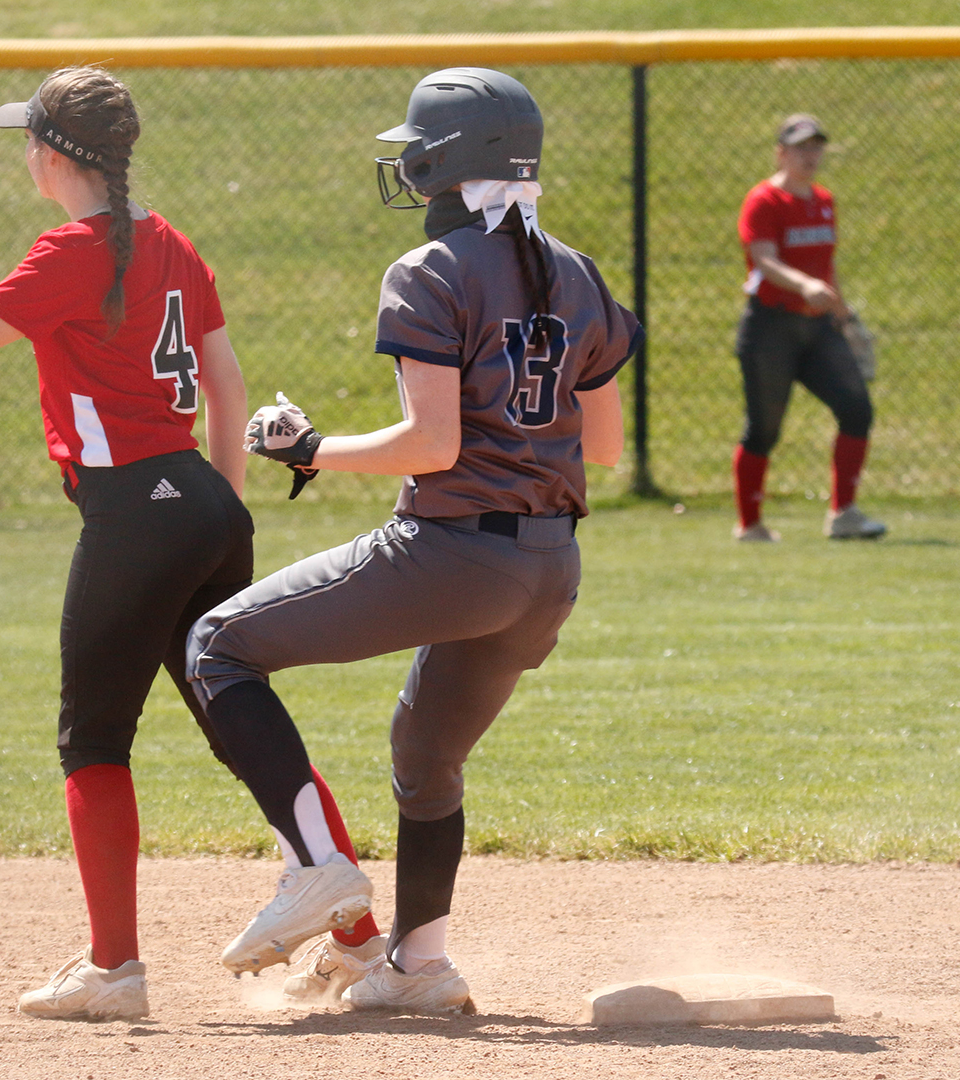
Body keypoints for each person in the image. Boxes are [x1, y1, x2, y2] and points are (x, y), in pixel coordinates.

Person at [0, 66, 383, 1021]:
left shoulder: (72, 250)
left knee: (93, 740)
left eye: (28, 138)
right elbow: (228, 385)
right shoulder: (171, 241)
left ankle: (114, 971)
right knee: (238, 720)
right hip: (205, 504)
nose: (23, 153)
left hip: (133, 513)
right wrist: (223, 505)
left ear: (52, 154)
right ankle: (360, 941)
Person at [184, 67, 639, 1015]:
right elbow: (603, 445)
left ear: (445, 164)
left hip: (454, 554)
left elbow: (434, 445)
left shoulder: (429, 269)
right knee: (425, 758)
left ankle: (316, 866)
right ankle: (418, 966)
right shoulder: (581, 271)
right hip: (550, 569)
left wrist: (309, 450)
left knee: (217, 644)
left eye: (417, 153)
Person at [731, 113, 886, 542]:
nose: (810, 155)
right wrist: (805, 285)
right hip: (771, 328)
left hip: (818, 328)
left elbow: (826, 266)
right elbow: (764, 259)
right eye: (800, 147)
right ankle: (751, 525)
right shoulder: (764, 200)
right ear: (781, 152)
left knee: (857, 409)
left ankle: (844, 514)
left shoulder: (823, 201)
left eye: (816, 147)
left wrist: (844, 315)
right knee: (764, 429)